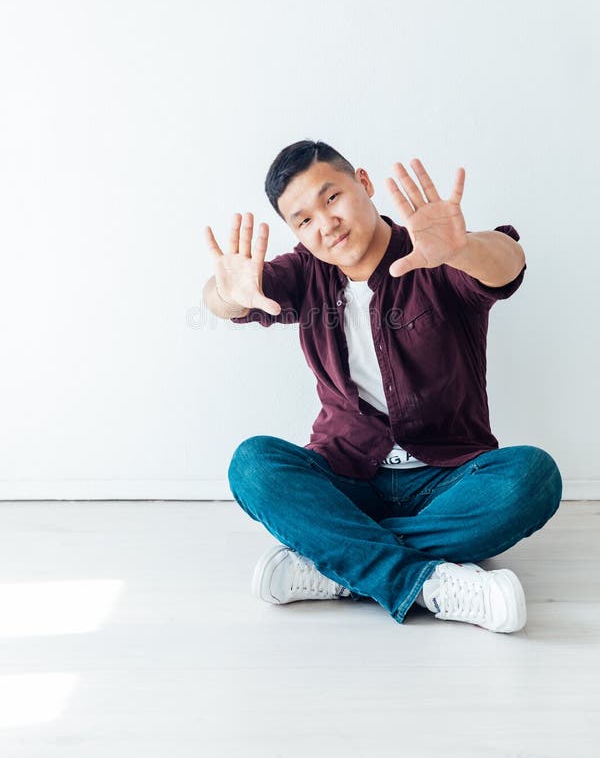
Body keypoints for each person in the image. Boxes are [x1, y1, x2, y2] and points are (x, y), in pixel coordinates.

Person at [203, 140, 562, 633]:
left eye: (332, 198)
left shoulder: (430, 250)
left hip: (447, 477)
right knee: (253, 464)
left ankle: (334, 562)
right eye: (303, 220)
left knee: (532, 477)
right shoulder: (305, 274)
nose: (325, 224)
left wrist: (464, 248)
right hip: (348, 474)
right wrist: (224, 293)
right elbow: (225, 298)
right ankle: (432, 584)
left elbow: (508, 266)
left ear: (364, 184)